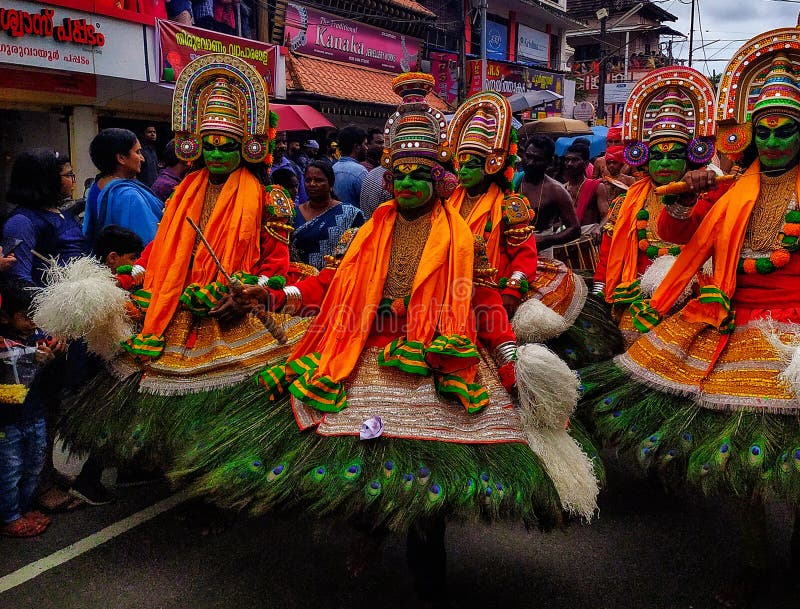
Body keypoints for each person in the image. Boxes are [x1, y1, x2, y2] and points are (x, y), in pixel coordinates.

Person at [174, 74, 598, 607]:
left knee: (428, 495)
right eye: (400, 175)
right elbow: (328, 284)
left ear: (439, 180)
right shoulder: (366, 232)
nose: (409, 185)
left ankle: (427, 580)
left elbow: (483, 301)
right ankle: (373, 534)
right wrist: (272, 293)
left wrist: (510, 360)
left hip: (437, 358)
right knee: (365, 463)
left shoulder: (461, 238)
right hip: (364, 352)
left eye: (421, 175)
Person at [580, 41, 800, 609]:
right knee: (733, 458)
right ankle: (753, 561)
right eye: (765, 129)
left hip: (793, 334)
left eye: (786, 129)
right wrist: (684, 199)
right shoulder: (729, 190)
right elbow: (682, 241)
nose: (773, 141)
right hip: (729, 321)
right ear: (749, 130)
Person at [44, 54, 309, 469]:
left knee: (230, 417)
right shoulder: (182, 193)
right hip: (177, 305)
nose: (218, 155)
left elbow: (275, 262)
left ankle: (221, 477)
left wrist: (249, 292)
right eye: (210, 146)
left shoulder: (270, 197)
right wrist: (133, 275)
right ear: (196, 145)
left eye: (228, 147)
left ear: (248, 146)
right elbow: (162, 248)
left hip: (237, 307)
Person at [592, 69, 719, 346]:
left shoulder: (709, 196)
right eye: (657, 156)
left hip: (693, 299)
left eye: (673, 156)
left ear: (690, 159)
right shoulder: (627, 202)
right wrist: (600, 297)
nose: (664, 164)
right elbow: (607, 256)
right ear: (645, 159)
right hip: (634, 297)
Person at [0, 286, 62, 537]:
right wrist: (32, 356)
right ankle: (8, 517)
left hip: (35, 414)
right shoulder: (3, 340)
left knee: (33, 465)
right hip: (7, 422)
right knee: (9, 469)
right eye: (25, 317)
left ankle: (21, 510)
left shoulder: (39, 338)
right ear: (5, 317)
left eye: (35, 316)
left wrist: (56, 350)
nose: (32, 322)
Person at [3, 150, 86, 289]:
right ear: (48, 179)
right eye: (68, 175)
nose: (73, 180)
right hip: (50, 304)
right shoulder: (20, 222)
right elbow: (19, 281)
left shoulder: (62, 213)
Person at [83, 128, 164, 246]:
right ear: (121, 158)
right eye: (138, 152)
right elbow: (150, 244)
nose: (142, 158)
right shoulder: (129, 196)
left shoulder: (97, 186)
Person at [291, 160, 364, 269]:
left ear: (331, 184)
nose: (312, 184)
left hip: (335, 280)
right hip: (296, 281)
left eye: (318, 180)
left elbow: (358, 253)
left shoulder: (349, 214)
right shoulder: (293, 213)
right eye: (308, 180)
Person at [516, 136, 580, 257]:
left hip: (540, 252)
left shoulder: (557, 190)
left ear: (549, 162)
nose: (530, 163)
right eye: (528, 156)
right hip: (510, 246)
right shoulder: (511, 181)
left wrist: (546, 240)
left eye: (537, 159)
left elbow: (575, 229)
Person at [562, 142, 609, 232]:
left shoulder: (597, 187)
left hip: (589, 236)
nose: (569, 164)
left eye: (575, 160)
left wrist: (599, 229)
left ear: (586, 164)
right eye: (567, 160)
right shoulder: (562, 188)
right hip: (566, 237)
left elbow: (606, 215)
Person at [332, 125, 368, 207]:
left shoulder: (333, 168)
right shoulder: (360, 172)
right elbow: (368, 204)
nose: (366, 148)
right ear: (357, 147)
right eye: (364, 144)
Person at [270, 132, 306, 204]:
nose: (282, 146)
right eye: (277, 142)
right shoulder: (261, 170)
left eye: (284, 142)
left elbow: (303, 196)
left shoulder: (294, 167)